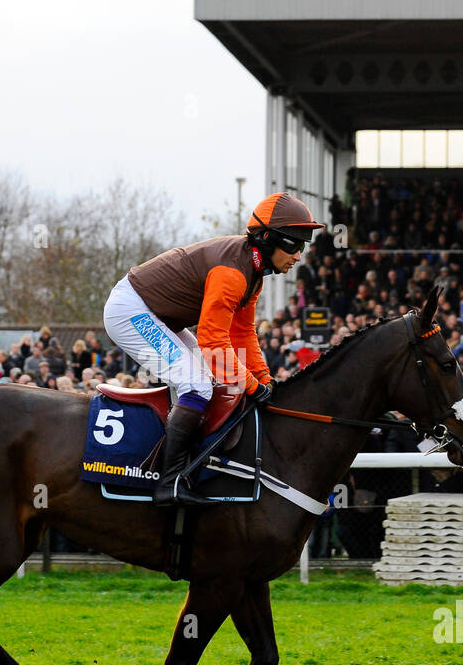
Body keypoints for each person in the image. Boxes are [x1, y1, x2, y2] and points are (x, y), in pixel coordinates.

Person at [102, 191, 323, 505]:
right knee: (197, 383)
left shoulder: (254, 273)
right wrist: (249, 383)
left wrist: (263, 378)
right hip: (130, 310)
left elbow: (242, 332)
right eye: (294, 245)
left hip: (154, 314)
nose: (299, 255)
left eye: (303, 247)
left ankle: (185, 466)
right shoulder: (233, 273)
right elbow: (213, 341)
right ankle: (169, 482)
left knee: (208, 381)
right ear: (266, 239)